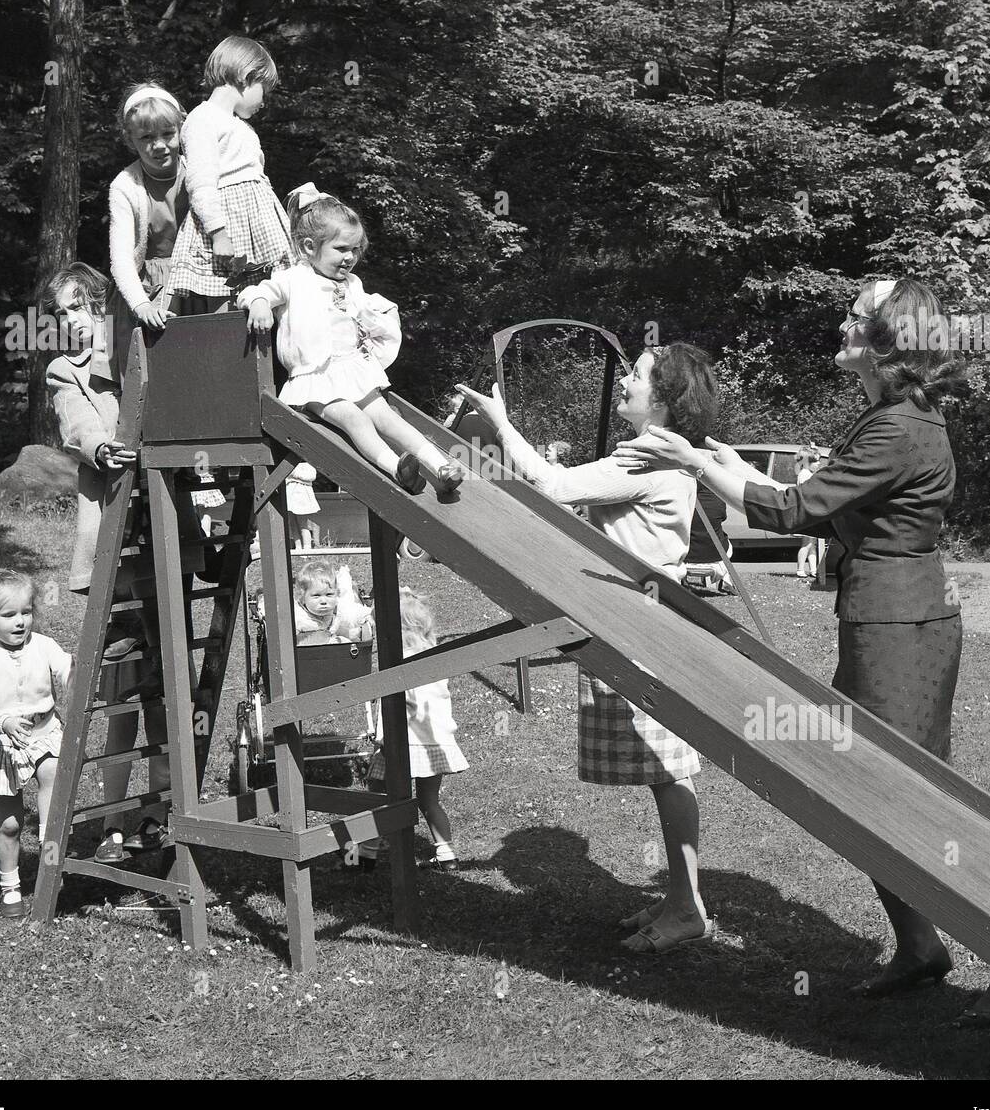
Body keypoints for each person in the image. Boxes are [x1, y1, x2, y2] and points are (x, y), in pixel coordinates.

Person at [617, 280, 990, 1027]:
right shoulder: (885, 416)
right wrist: (726, 463)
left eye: (857, 316)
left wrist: (694, 462)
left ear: (887, 340)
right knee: (863, 795)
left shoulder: (900, 428)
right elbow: (813, 500)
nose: (842, 322)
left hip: (900, 626)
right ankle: (919, 947)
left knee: (904, 802)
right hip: (883, 618)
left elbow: (794, 510)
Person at [457, 343, 721, 954]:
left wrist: (500, 424)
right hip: (644, 615)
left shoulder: (648, 461)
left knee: (668, 768)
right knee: (665, 769)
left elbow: (550, 486)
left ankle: (686, 908)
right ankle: (681, 899)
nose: (625, 379)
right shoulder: (653, 455)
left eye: (636, 375)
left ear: (662, 399)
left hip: (643, 623)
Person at [42, 263, 205, 865]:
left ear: (106, 307)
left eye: (82, 309)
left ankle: (162, 812)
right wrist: (99, 447)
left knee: (167, 693)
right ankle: (112, 820)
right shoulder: (67, 371)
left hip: (162, 535)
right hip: (116, 546)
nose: (72, 323)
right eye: (63, 315)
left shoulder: (141, 352)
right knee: (118, 696)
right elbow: (78, 424)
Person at [238, 183, 465, 498]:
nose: (350, 257)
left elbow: (364, 318)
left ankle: (440, 466)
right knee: (354, 418)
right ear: (307, 248)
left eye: (355, 249)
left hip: (353, 373)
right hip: (314, 382)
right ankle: (396, 468)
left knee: (388, 417)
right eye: (341, 249)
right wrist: (260, 304)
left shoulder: (352, 283)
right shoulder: (293, 280)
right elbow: (254, 291)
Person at [0, 568, 74, 918]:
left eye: (26, 612)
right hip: (1, 745)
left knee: (52, 769)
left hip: (43, 732)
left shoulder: (44, 646)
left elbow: (68, 671)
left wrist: (80, 673)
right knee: (9, 824)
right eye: (9, 615)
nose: (20, 621)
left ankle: (49, 850)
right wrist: (2, 720)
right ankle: (10, 886)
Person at [166, 35, 295, 312]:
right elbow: (201, 183)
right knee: (227, 299)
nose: (264, 101)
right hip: (229, 224)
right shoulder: (203, 120)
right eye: (263, 90)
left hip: (257, 224)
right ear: (246, 77)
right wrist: (219, 233)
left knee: (274, 292)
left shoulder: (240, 126)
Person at [359, 588, 468, 871]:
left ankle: (366, 853)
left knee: (379, 797)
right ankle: (447, 856)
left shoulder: (395, 661)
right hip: (434, 742)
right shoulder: (435, 658)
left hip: (401, 742)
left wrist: (382, 738)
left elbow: (392, 704)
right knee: (429, 799)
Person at [99, 81, 187, 380]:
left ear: (180, 130)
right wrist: (141, 303)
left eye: (167, 134)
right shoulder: (126, 186)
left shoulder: (199, 173)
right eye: (147, 137)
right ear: (131, 140)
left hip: (194, 283)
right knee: (151, 383)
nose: (159, 145)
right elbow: (121, 258)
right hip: (147, 290)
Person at [291, 560, 373, 643]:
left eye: (329, 594)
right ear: (302, 598)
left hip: (331, 650)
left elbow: (350, 614)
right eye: (316, 595)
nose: (323, 601)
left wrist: (367, 617)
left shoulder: (335, 610)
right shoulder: (298, 618)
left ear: (336, 594)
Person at [794, 446, 820, 579]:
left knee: (812, 543)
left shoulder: (807, 474)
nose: (819, 464)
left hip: (811, 512)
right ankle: (800, 569)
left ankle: (814, 569)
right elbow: (807, 494)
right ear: (807, 461)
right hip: (806, 513)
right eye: (816, 461)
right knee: (807, 542)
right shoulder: (805, 475)